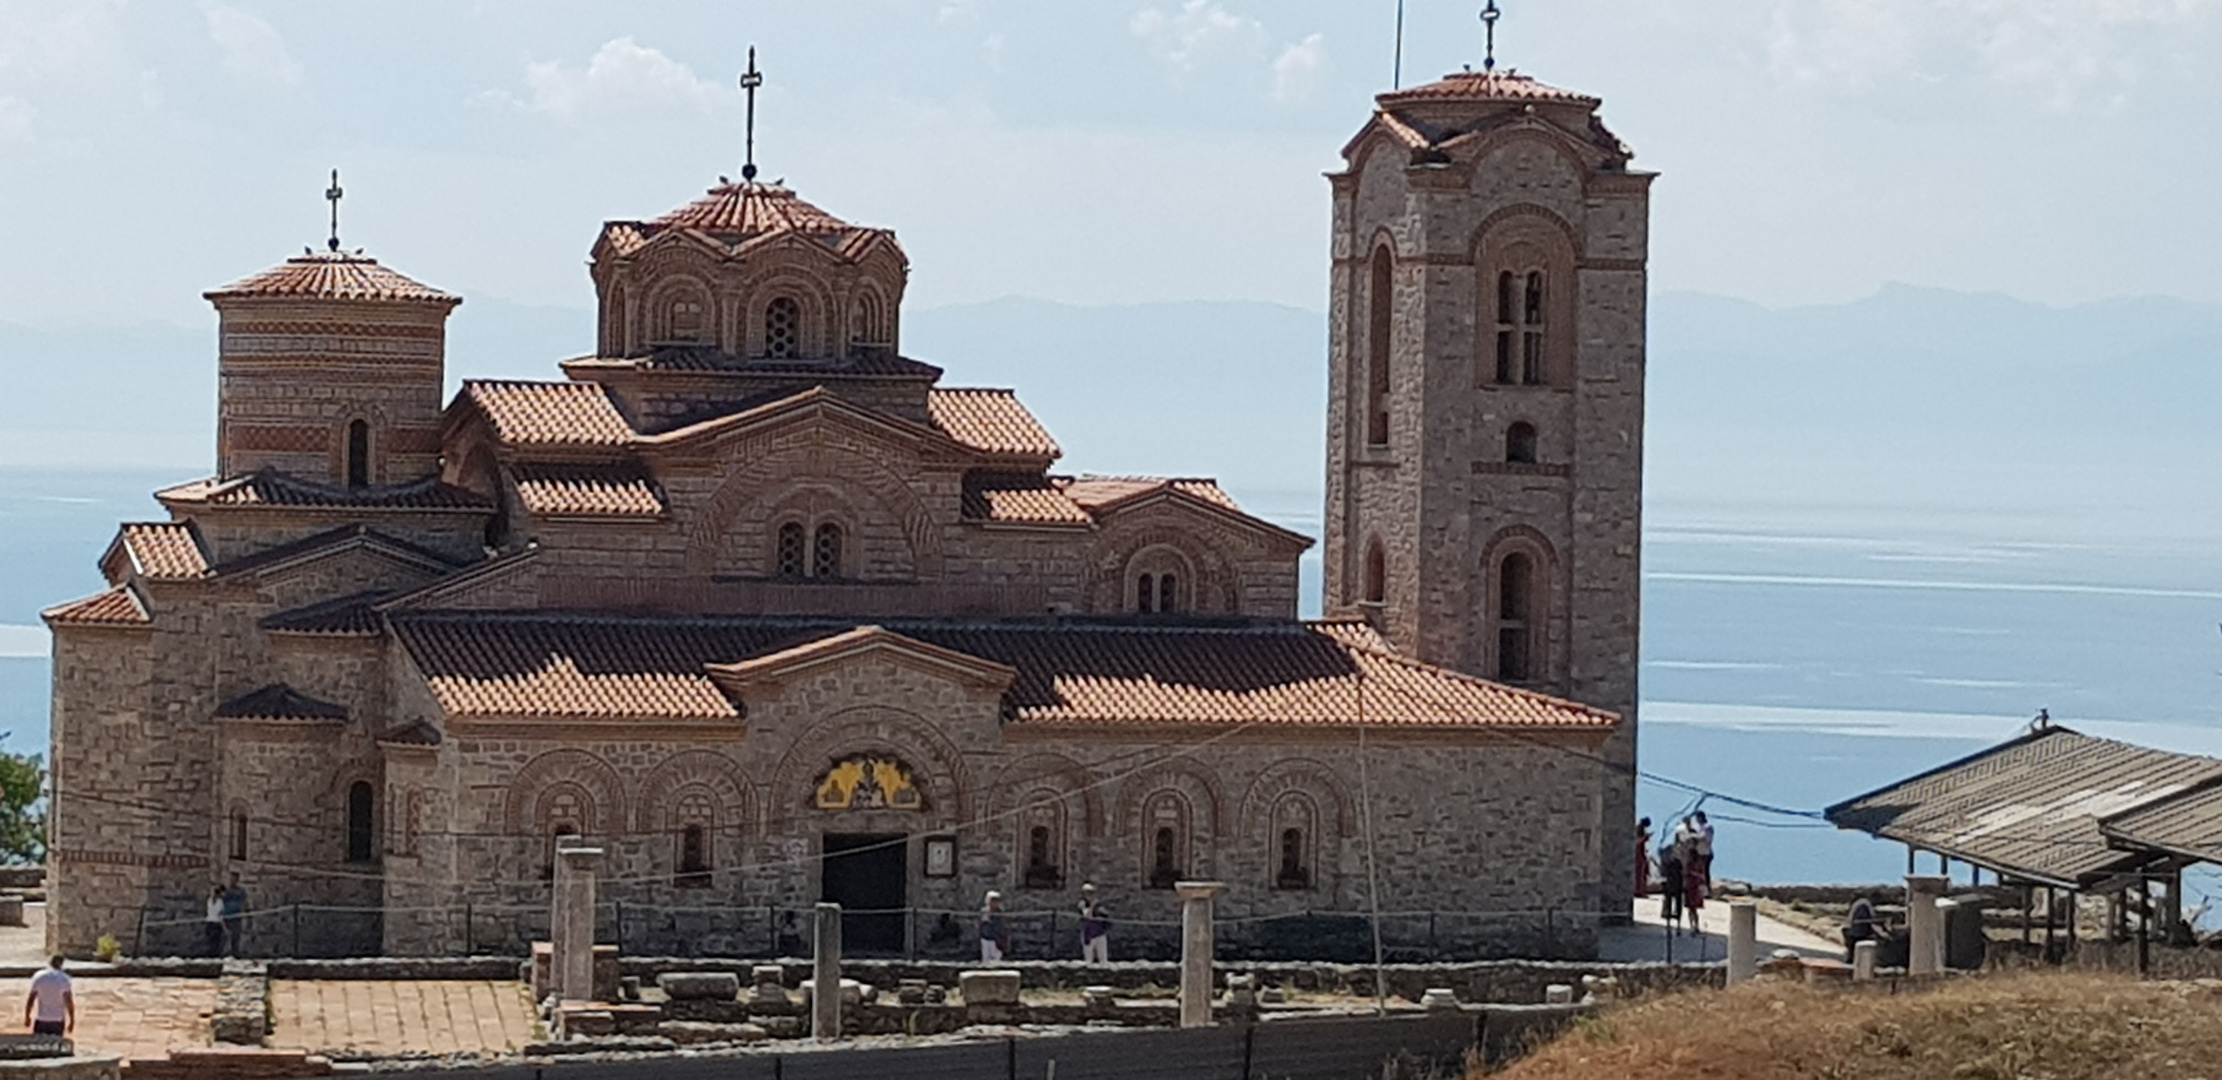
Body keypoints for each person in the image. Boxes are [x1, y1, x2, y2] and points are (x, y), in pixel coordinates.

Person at [23, 956, 71, 1038]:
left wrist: (27, 1017)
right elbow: (69, 1002)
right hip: (57, 1019)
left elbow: (31, 1000)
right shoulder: (64, 979)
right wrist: (72, 1020)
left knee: (39, 1043)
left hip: (41, 1018)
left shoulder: (38, 976)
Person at [1077, 883, 1110, 963]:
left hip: (1099, 935)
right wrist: (1092, 906)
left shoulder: (1098, 905)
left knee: (1103, 960)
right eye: (1087, 893)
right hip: (1088, 936)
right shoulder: (1082, 905)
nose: (1090, 895)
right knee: (1088, 960)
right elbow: (1086, 915)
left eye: (1091, 893)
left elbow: (1105, 915)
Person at [220, 874, 246, 957]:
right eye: (231, 879)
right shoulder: (226, 891)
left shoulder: (241, 891)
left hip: (237, 915)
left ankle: (235, 952)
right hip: (227, 916)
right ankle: (224, 952)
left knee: (236, 935)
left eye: (234, 879)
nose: (232, 881)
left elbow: (244, 902)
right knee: (226, 935)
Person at [979, 891, 1009, 963]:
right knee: (985, 960)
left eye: (996, 901)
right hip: (986, 939)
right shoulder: (984, 912)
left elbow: (1003, 926)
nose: (994, 903)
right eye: (992, 900)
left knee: (996, 960)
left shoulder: (1001, 913)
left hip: (997, 940)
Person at [1633, 818, 1653, 899]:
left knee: (1643, 873)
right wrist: (1645, 837)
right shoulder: (1638, 829)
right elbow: (1637, 841)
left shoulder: (1640, 829)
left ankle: (1641, 890)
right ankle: (1638, 891)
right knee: (1639, 873)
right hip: (1638, 854)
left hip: (1642, 853)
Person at [203, 886, 226, 958]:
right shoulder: (220, 902)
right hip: (216, 923)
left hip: (209, 921)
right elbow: (220, 915)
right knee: (216, 941)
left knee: (210, 940)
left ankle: (210, 954)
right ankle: (214, 955)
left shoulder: (209, 900)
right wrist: (224, 927)